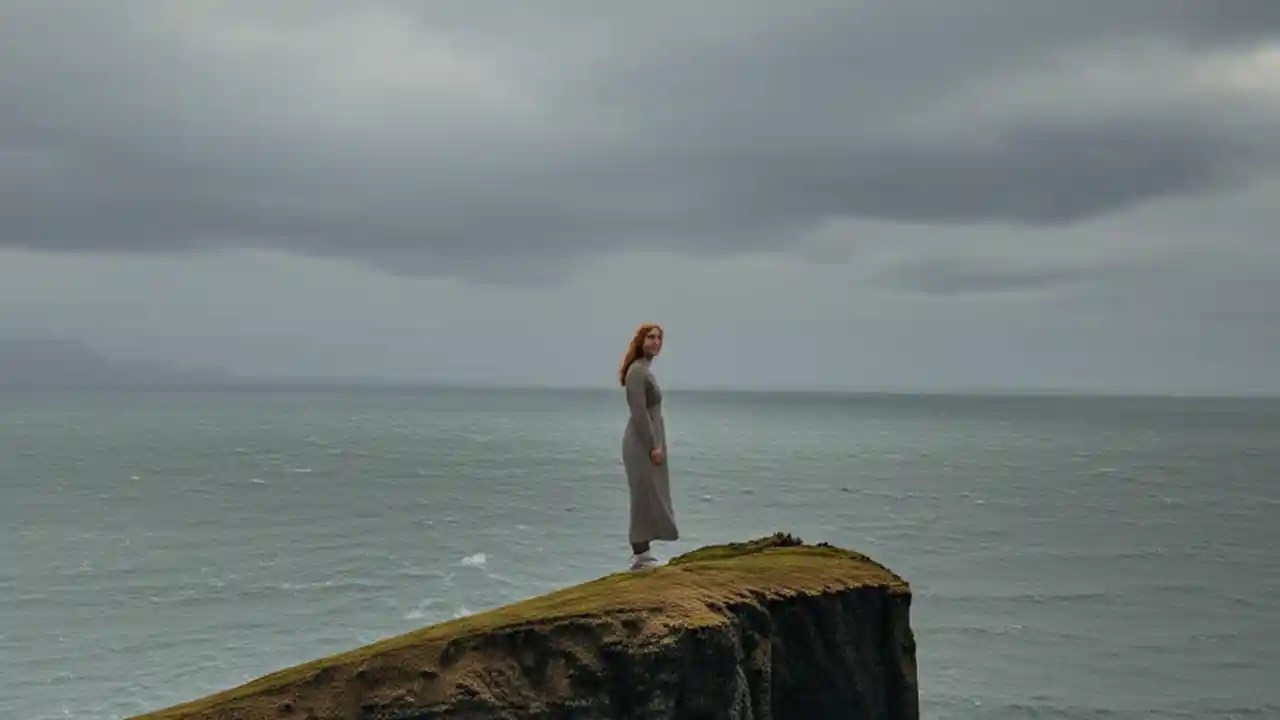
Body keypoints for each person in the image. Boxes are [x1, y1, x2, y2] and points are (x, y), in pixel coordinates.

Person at [618, 322, 678, 570]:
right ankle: (640, 556)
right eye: (651, 337)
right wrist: (654, 445)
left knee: (652, 495)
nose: (656, 342)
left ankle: (644, 554)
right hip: (641, 444)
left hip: (650, 442)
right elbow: (639, 413)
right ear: (641, 341)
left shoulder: (644, 370)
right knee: (642, 496)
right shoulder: (637, 372)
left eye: (659, 338)